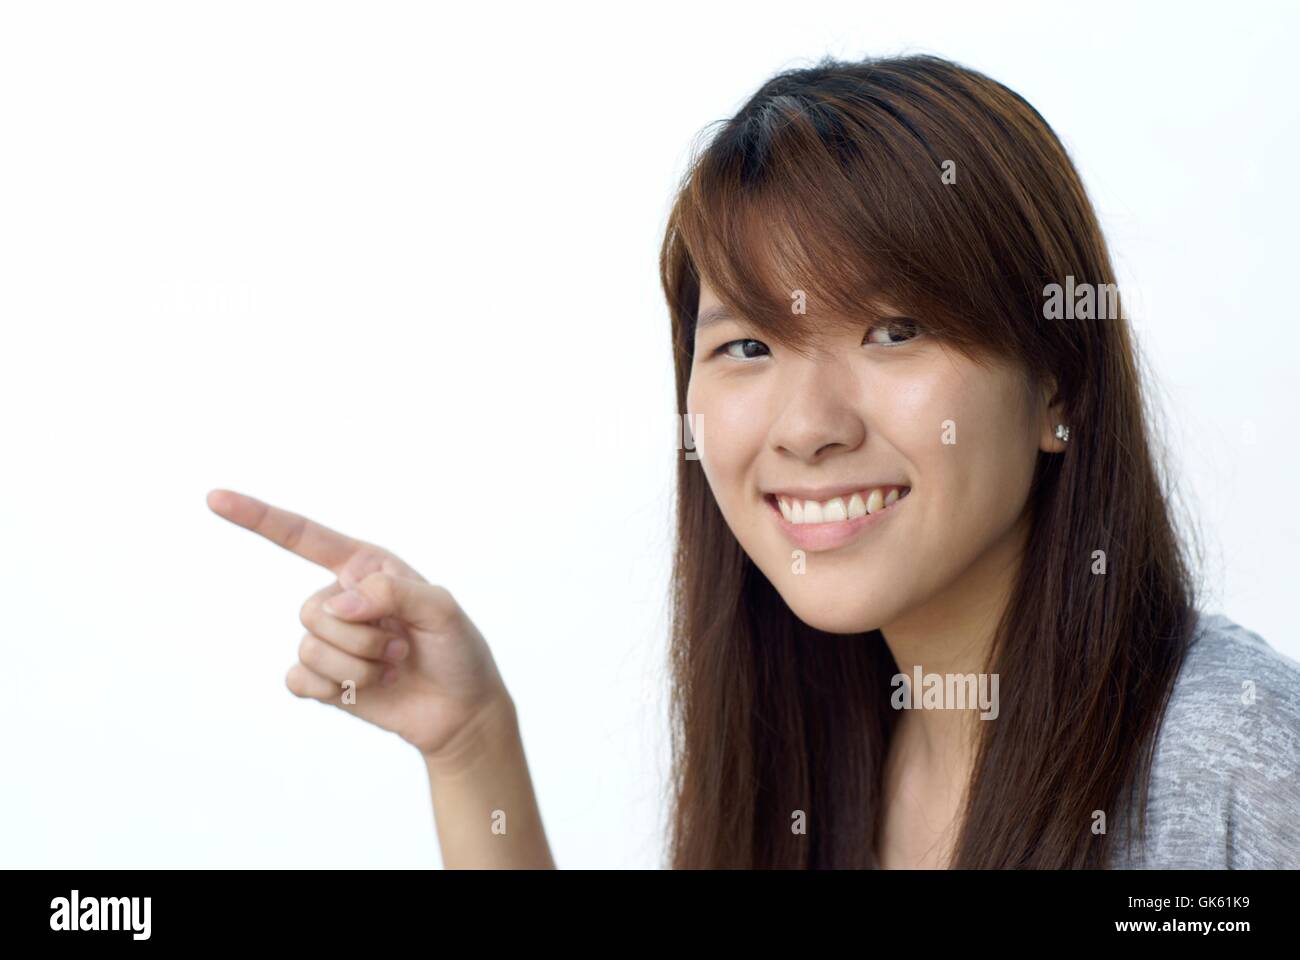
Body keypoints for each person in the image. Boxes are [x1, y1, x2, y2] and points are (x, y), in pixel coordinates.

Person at [207, 53, 1300, 869]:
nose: (805, 425)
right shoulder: (820, 734)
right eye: (746, 346)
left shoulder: (1222, 763)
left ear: (1056, 387)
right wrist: (470, 744)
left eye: (893, 330)